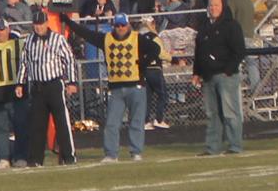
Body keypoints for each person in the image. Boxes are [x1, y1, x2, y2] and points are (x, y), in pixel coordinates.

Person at [64, 13, 160, 162]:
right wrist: (68, 22)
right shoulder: (106, 39)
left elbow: (155, 49)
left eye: (122, 25)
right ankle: (111, 154)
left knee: (136, 122)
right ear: (113, 26)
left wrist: (143, 63)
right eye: (117, 25)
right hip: (116, 88)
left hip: (136, 86)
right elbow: (86, 34)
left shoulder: (137, 38)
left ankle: (136, 152)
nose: (120, 28)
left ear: (128, 25)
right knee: (112, 123)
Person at [15, 11, 78, 167]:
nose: (38, 27)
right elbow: (24, 63)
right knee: (37, 125)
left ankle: (69, 157)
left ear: (46, 23)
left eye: (41, 24)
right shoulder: (29, 40)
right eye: (36, 25)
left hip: (54, 85)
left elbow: (69, 60)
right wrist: (20, 83)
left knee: (62, 122)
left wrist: (71, 82)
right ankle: (36, 159)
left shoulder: (57, 39)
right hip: (37, 87)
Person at [192, 0, 246, 155]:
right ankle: (212, 147)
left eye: (216, 5)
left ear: (223, 5)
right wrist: (197, 72)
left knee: (230, 113)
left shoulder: (231, 25)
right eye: (210, 5)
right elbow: (199, 52)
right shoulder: (204, 27)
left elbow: (239, 51)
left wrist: (228, 70)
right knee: (212, 114)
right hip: (208, 77)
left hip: (225, 76)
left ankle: (235, 146)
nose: (213, 8)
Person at [138, 16, 171, 130]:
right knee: (163, 95)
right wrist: (172, 58)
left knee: (148, 97)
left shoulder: (138, 38)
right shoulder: (154, 37)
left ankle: (145, 121)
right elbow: (161, 53)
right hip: (155, 69)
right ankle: (159, 119)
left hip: (144, 70)